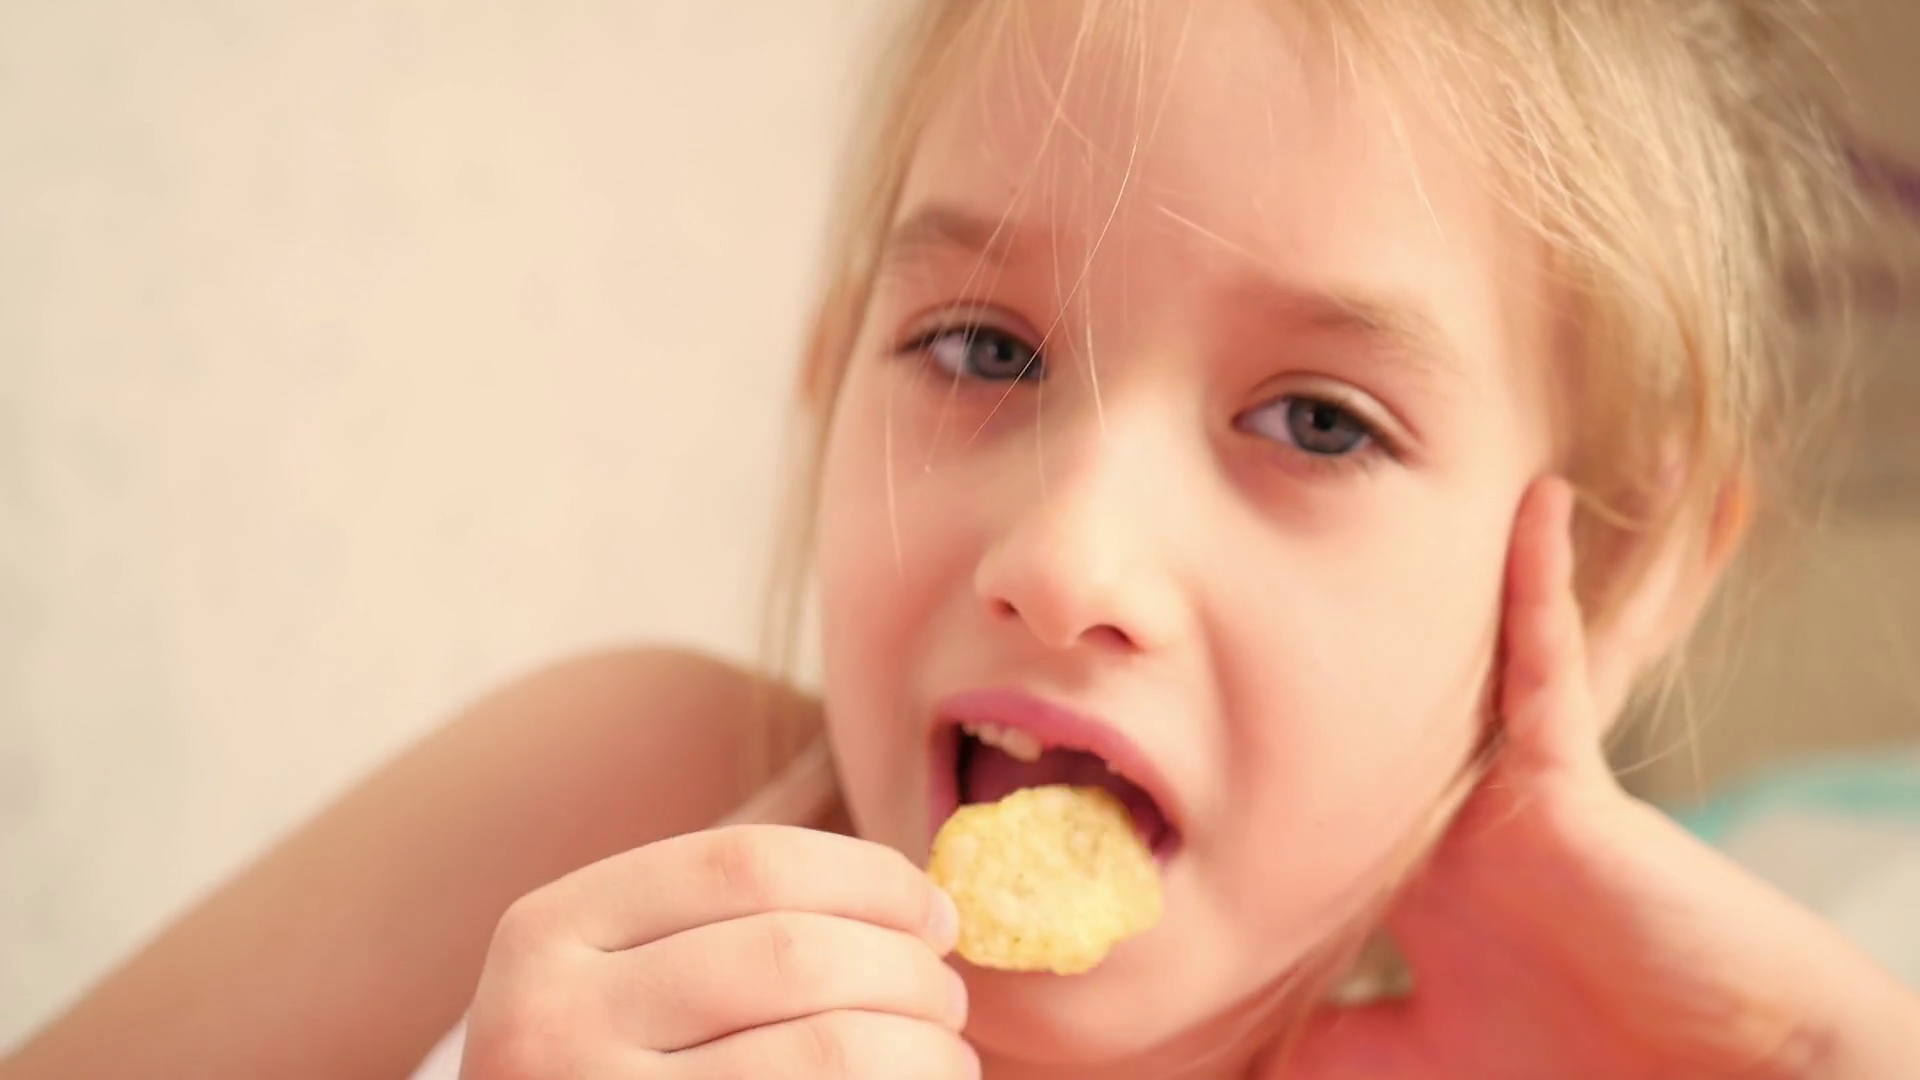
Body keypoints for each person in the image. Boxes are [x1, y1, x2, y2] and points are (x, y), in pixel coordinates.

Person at [6, 1, 1916, 1077]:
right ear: (833, 381)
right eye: (981, 348)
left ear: (1599, 579)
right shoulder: (627, 800)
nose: (1066, 557)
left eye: (1319, 420)